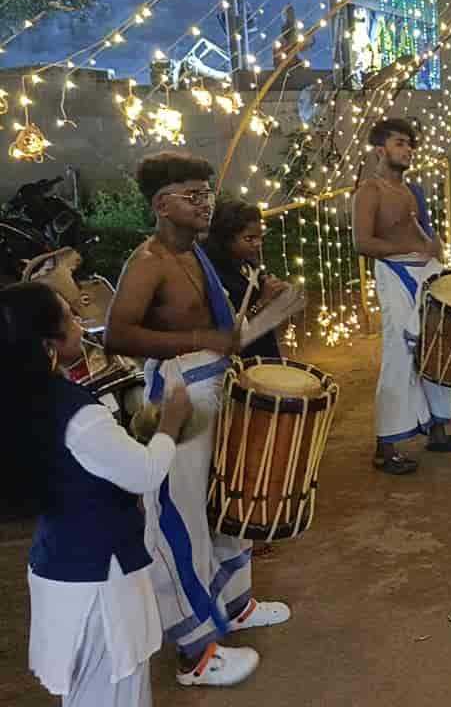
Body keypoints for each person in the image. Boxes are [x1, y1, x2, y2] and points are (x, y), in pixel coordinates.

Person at [105, 151, 288, 687]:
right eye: (194, 195)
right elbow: (119, 335)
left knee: (227, 497)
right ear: (163, 204)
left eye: (208, 193)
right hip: (180, 392)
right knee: (179, 517)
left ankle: (234, 603)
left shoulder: (195, 253)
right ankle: (194, 650)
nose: (206, 203)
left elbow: (221, 325)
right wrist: (200, 341)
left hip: (217, 382)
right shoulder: (148, 262)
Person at [3, 282, 190, 706]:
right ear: (48, 343)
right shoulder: (74, 412)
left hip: (58, 565)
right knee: (112, 694)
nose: (79, 322)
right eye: (69, 316)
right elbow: (143, 474)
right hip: (98, 580)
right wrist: (169, 426)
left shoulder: (18, 399)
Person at [352, 118, 451, 476]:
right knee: (398, 355)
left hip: (426, 273)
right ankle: (385, 446)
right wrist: (407, 248)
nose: (407, 150)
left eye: (409, 144)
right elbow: (361, 243)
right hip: (394, 275)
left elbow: (423, 233)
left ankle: (438, 431)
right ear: (381, 150)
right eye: (399, 144)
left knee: (439, 349)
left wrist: (432, 248)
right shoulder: (369, 192)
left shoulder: (414, 191)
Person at [205, 199, 287, 360]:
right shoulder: (214, 276)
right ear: (225, 238)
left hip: (264, 352)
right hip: (241, 362)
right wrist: (262, 301)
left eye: (260, 237)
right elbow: (227, 331)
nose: (258, 244)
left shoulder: (246, 263)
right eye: (249, 239)